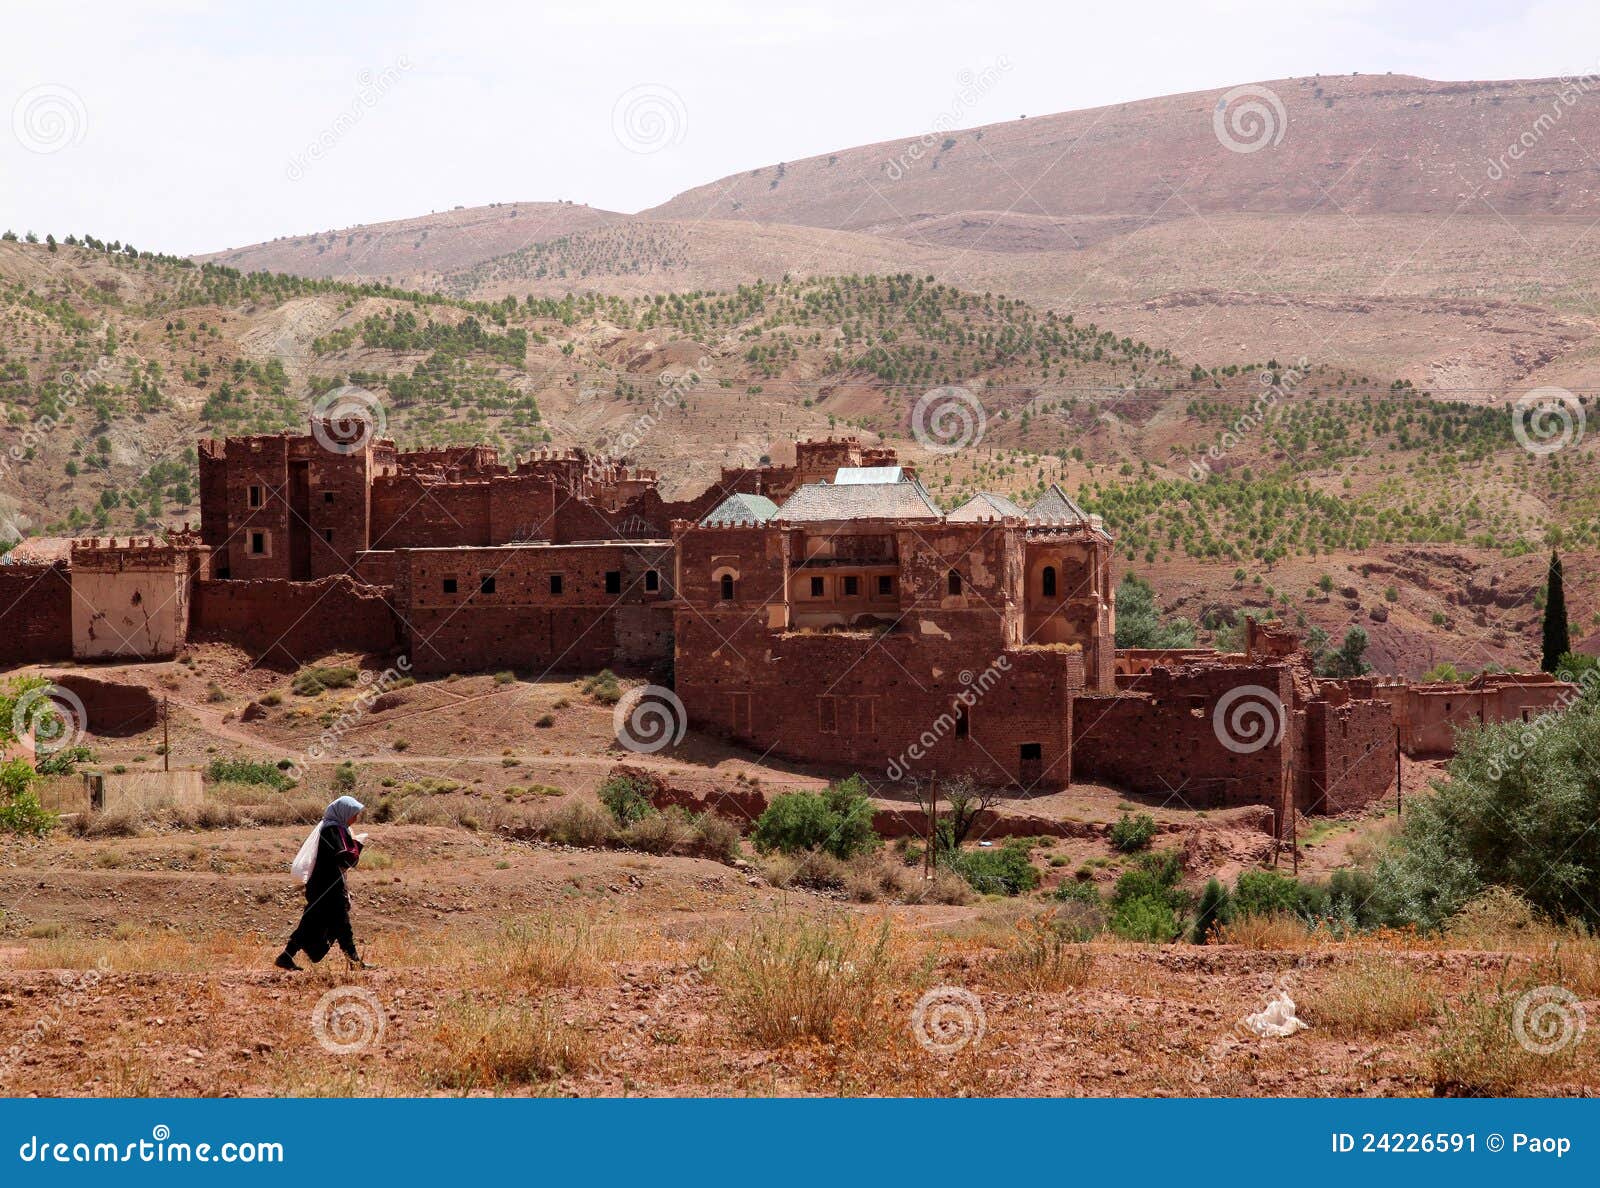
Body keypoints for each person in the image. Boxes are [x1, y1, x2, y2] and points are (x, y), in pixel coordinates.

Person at [276, 795, 369, 971]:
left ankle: (286, 956)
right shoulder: (334, 830)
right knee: (341, 923)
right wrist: (358, 844)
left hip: (322, 886)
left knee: (311, 922)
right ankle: (354, 962)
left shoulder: (332, 828)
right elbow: (345, 857)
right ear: (344, 813)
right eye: (354, 814)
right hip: (328, 887)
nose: (356, 818)